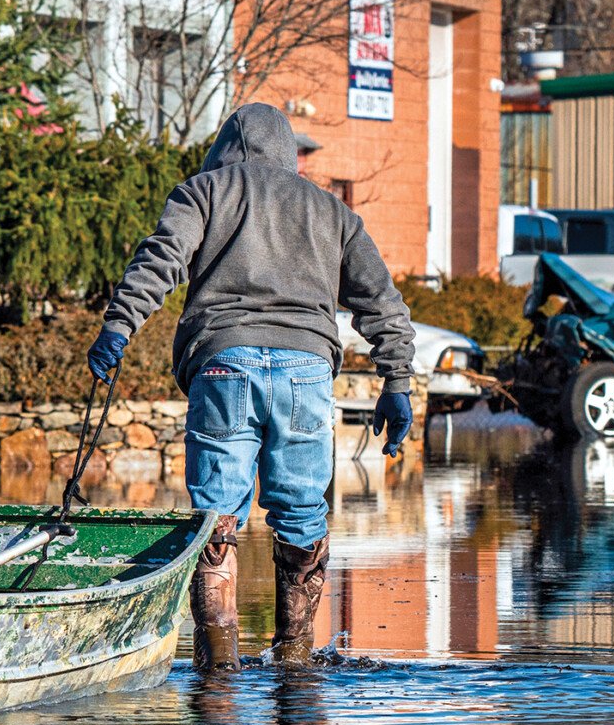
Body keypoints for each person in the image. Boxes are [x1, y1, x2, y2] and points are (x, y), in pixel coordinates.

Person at [87, 102, 415, 669]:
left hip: (224, 365)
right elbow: (382, 302)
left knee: (216, 518)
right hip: (307, 373)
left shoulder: (204, 191)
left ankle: (217, 670)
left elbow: (160, 260)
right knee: (303, 514)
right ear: (288, 151)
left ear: (224, 149)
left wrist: (119, 326)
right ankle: (296, 658)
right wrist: (397, 381)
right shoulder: (332, 211)